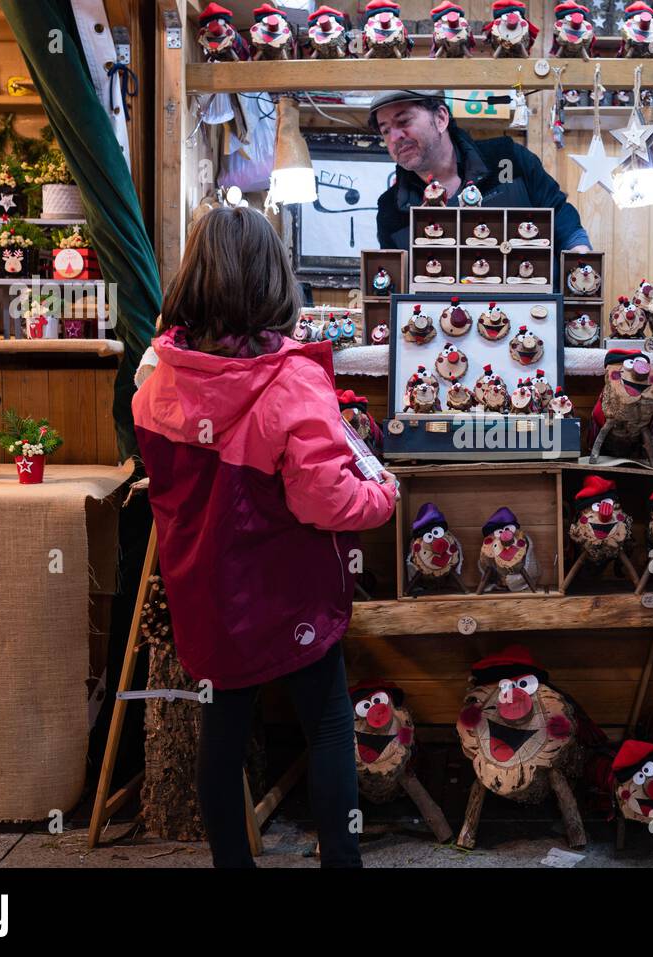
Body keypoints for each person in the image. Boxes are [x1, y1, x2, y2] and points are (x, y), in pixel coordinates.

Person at [132, 205, 399, 868]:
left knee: (221, 741)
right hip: (289, 597)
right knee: (331, 725)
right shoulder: (294, 381)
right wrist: (383, 495)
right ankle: (340, 858)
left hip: (207, 595)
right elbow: (326, 499)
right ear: (276, 280)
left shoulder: (157, 379)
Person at [371, 89, 592, 252]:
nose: (394, 137)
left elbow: (562, 218)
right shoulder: (391, 208)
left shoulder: (508, 158)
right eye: (386, 130)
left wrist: (579, 257)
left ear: (440, 119)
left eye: (404, 121)